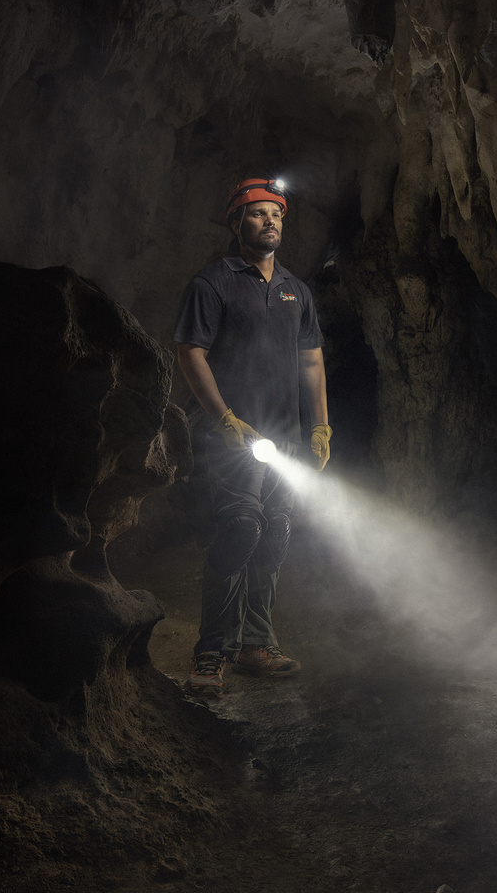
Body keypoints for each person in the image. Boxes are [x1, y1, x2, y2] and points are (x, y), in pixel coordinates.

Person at [172, 176, 332, 698]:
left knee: (275, 533)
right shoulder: (213, 282)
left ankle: (255, 645)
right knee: (241, 528)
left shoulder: (294, 289)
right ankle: (211, 653)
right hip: (235, 436)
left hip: (285, 435)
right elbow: (190, 352)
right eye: (259, 214)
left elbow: (310, 359)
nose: (271, 222)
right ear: (236, 222)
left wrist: (320, 426)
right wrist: (223, 419)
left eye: (278, 215)